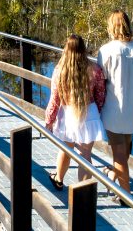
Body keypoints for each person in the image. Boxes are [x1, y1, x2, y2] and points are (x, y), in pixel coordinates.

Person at [97, 10, 133, 195]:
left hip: (113, 108)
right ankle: (113, 178)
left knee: (120, 155)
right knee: (125, 149)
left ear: (112, 27)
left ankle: (125, 196)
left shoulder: (106, 51)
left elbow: (100, 81)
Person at [44, 34, 106, 190]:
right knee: (86, 154)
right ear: (83, 49)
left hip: (67, 114)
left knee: (66, 149)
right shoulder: (95, 69)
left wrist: (49, 119)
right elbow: (101, 95)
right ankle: (83, 191)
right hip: (89, 112)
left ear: (66, 49)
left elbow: (55, 99)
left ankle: (58, 179)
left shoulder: (60, 70)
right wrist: (96, 112)